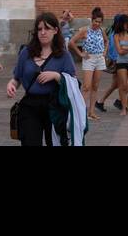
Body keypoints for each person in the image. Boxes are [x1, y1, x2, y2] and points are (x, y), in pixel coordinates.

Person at [7, 12, 77, 146]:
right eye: (39, 29)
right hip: (30, 105)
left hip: (54, 106)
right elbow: (17, 78)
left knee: (55, 143)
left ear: (56, 30)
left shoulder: (64, 55)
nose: (43, 32)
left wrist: (56, 76)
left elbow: (73, 84)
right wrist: (12, 85)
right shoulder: (26, 52)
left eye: (47, 28)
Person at [69, 8, 107, 117]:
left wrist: (104, 52)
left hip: (99, 59)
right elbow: (71, 42)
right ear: (92, 20)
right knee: (86, 86)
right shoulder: (85, 30)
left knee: (95, 86)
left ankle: (91, 112)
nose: (97, 24)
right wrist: (80, 54)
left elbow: (106, 41)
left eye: (100, 22)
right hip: (88, 59)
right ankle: (80, 112)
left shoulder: (101, 31)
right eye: (96, 21)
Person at [103, 13, 128, 114]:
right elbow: (119, 51)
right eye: (126, 23)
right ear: (121, 24)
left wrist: (125, 48)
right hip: (121, 63)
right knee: (123, 86)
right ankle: (123, 108)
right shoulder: (116, 35)